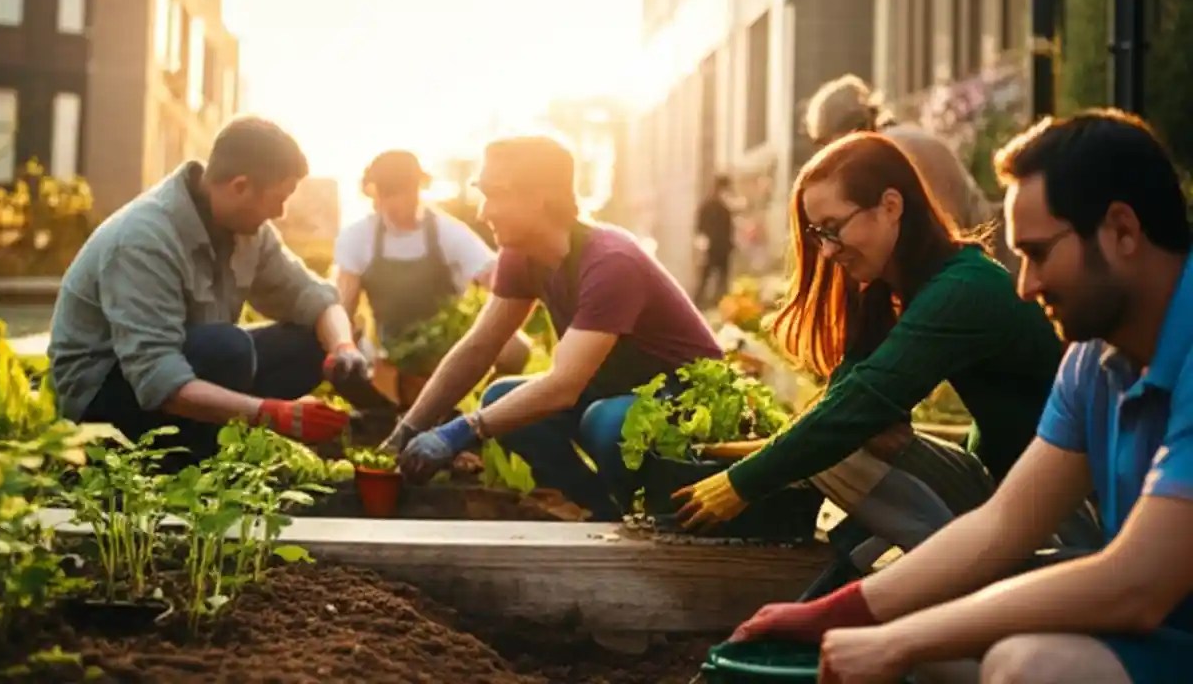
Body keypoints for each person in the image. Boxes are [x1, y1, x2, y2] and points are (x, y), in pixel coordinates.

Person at [740, 110, 1193, 684]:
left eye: (1039, 253)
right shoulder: (1094, 359)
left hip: (1154, 621)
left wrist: (895, 641)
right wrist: (830, 616)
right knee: (947, 648)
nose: (1025, 285)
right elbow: (1004, 523)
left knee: (1024, 666)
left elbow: (1137, 586)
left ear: (1123, 231)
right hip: (1167, 642)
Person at [674, 132, 1099, 569]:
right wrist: (725, 453)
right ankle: (876, 574)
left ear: (891, 207)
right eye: (819, 234)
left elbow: (856, 408)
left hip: (1059, 513)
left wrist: (738, 486)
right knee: (851, 436)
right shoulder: (893, 289)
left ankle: (962, 573)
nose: (826, 250)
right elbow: (845, 401)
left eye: (834, 229)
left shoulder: (963, 289)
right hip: (1002, 486)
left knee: (844, 441)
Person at [383, 135, 724, 520]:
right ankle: (605, 511)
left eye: (495, 194)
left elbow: (564, 387)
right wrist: (410, 428)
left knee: (609, 423)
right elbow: (480, 346)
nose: (483, 212)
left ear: (539, 198)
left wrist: (463, 430)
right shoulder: (521, 255)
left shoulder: (610, 262)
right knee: (501, 400)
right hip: (621, 390)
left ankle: (660, 516)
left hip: (690, 401)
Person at [49, 116, 369, 469]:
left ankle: (209, 439)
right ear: (240, 186)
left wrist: (343, 347)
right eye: (278, 200)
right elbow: (157, 378)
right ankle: (184, 466)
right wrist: (273, 415)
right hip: (103, 401)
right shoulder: (144, 238)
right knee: (227, 349)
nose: (280, 213)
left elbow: (314, 296)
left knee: (312, 339)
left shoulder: (249, 230)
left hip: (191, 367)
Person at [332, 150, 529, 400]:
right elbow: (343, 304)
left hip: (449, 345)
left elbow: (495, 277)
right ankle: (378, 409)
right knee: (340, 357)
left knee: (515, 349)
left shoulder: (447, 231)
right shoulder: (358, 237)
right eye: (387, 193)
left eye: (404, 191)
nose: (396, 202)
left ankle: (486, 406)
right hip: (391, 348)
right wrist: (349, 345)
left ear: (419, 187)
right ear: (375, 194)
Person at [805, 74, 1018, 273]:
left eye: (824, 143)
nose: (825, 155)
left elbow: (942, 234)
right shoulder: (896, 143)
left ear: (847, 131)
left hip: (982, 270)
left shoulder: (898, 149)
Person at [693, 174, 736, 308]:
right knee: (712, 280)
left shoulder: (710, 205)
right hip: (715, 249)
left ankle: (709, 305)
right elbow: (702, 228)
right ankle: (704, 305)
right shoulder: (716, 206)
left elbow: (699, 227)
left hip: (716, 248)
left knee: (711, 280)